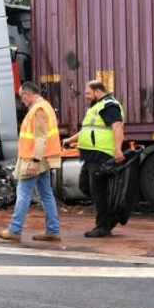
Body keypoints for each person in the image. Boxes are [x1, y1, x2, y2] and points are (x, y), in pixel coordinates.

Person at [0, 82, 62, 243]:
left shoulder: (38, 110)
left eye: (21, 96)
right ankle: (53, 231)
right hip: (41, 159)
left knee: (23, 193)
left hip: (34, 160)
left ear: (28, 94)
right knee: (46, 194)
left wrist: (35, 161)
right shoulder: (44, 107)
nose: (21, 100)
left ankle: (14, 230)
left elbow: (40, 138)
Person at [63, 79, 125, 238]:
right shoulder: (96, 106)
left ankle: (102, 227)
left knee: (98, 192)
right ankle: (110, 216)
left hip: (101, 154)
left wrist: (117, 149)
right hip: (90, 155)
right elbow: (87, 130)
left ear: (98, 91)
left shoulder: (108, 105)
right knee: (85, 186)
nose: (86, 96)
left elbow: (117, 127)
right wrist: (70, 140)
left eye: (88, 93)